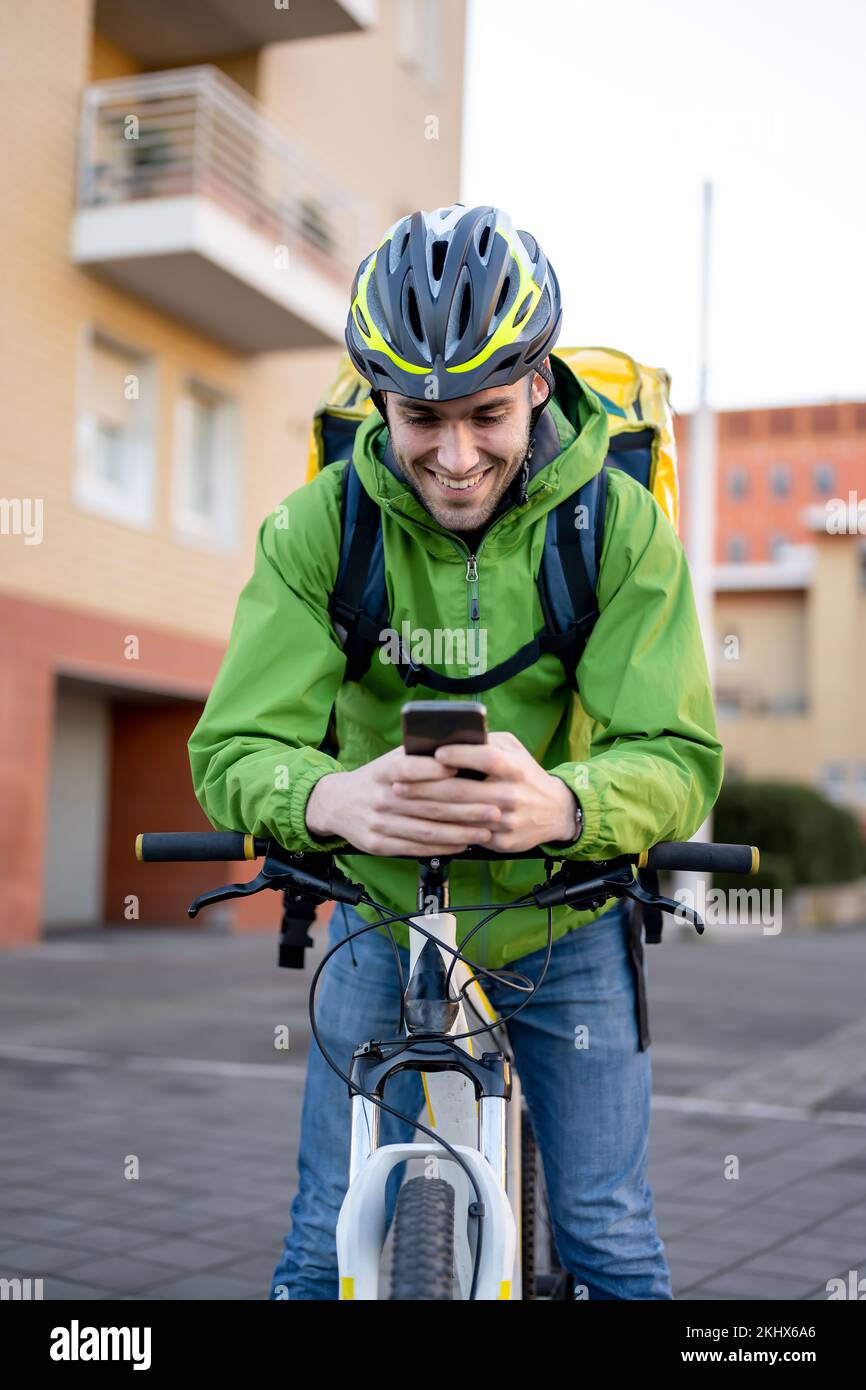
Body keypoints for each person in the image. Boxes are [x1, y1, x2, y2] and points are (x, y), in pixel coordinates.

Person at [187, 203, 723, 1300]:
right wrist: (328, 796)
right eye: (418, 416)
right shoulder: (317, 528)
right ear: (377, 397)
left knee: (607, 1238)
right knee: (317, 1244)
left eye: (484, 412)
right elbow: (236, 744)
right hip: (381, 919)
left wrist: (567, 806)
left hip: (564, 919)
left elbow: (672, 751)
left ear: (535, 383)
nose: (454, 454)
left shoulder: (617, 528)